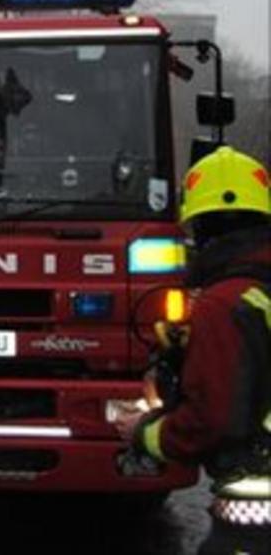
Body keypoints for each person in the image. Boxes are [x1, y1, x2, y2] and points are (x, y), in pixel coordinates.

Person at [114, 146, 271, 555]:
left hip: (255, 518)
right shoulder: (254, 298)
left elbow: (212, 419)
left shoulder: (224, 305)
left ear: (199, 227)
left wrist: (145, 432)